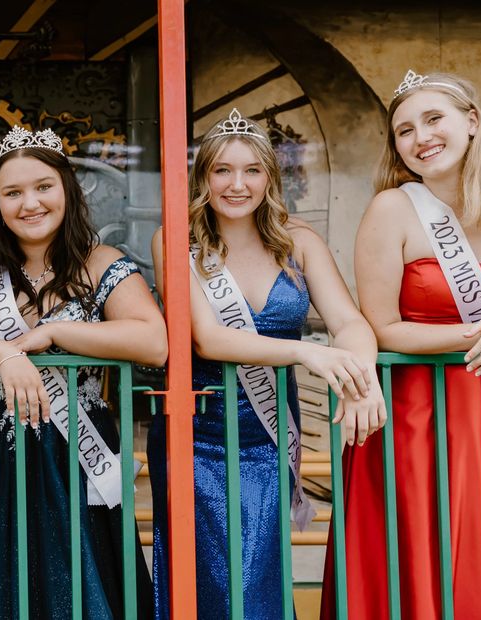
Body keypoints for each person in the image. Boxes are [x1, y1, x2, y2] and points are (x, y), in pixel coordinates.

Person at [325, 70, 481, 619]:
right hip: (411, 419)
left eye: (433, 119)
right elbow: (380, 327)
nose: (420, 137)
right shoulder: (391, 210)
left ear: (472, 122)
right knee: (411, 566)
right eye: (404, 130)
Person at [149, 109, 386, 619]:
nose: (237, 184)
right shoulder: (177, 242)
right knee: (206, 580)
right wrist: (306, 351)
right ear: (202, 177)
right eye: (222, 171)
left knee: (259, 575)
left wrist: (361, 378)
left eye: (252, 170)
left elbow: (350, 322)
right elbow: (209, 339)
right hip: (197, 430)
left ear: (270, 178)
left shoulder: (299, 242)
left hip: (271, 430)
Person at [0, 126, 167, 618]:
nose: (29, 203)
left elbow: (152, 340)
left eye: (42, 187)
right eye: (12, 193)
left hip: (77, 457)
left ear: (67, 190)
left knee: (81, 584)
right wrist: (7, 355)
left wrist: (57, 335)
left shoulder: (102, 263)